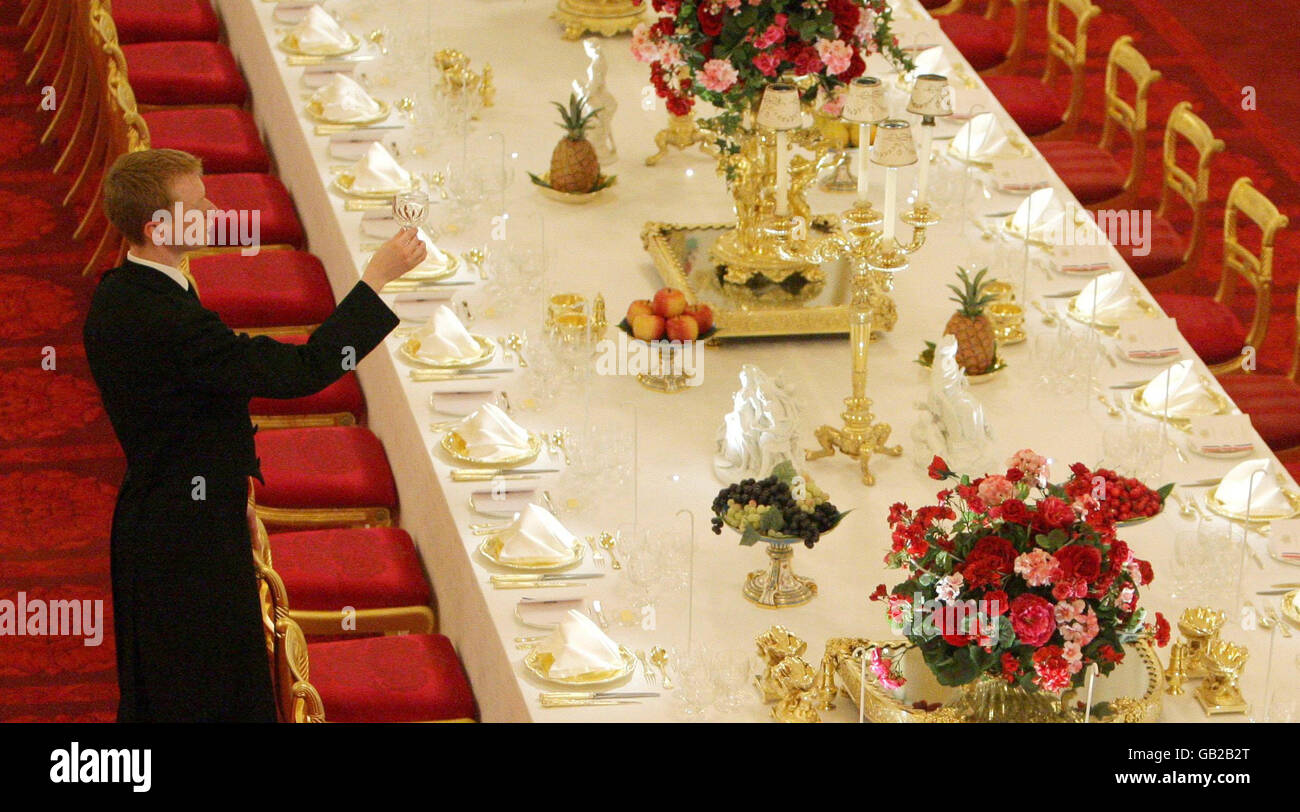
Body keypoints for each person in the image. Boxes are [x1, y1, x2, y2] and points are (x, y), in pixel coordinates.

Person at [83, 149, 426, 721]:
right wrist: (377, 279)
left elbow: (190, 407)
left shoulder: (125, 291)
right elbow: (305, 371)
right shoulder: (171, 322)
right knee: (208, 696)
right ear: (158, 227)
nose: (214, 209)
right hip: (186, 544)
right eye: (197, 205)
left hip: (169, 509)